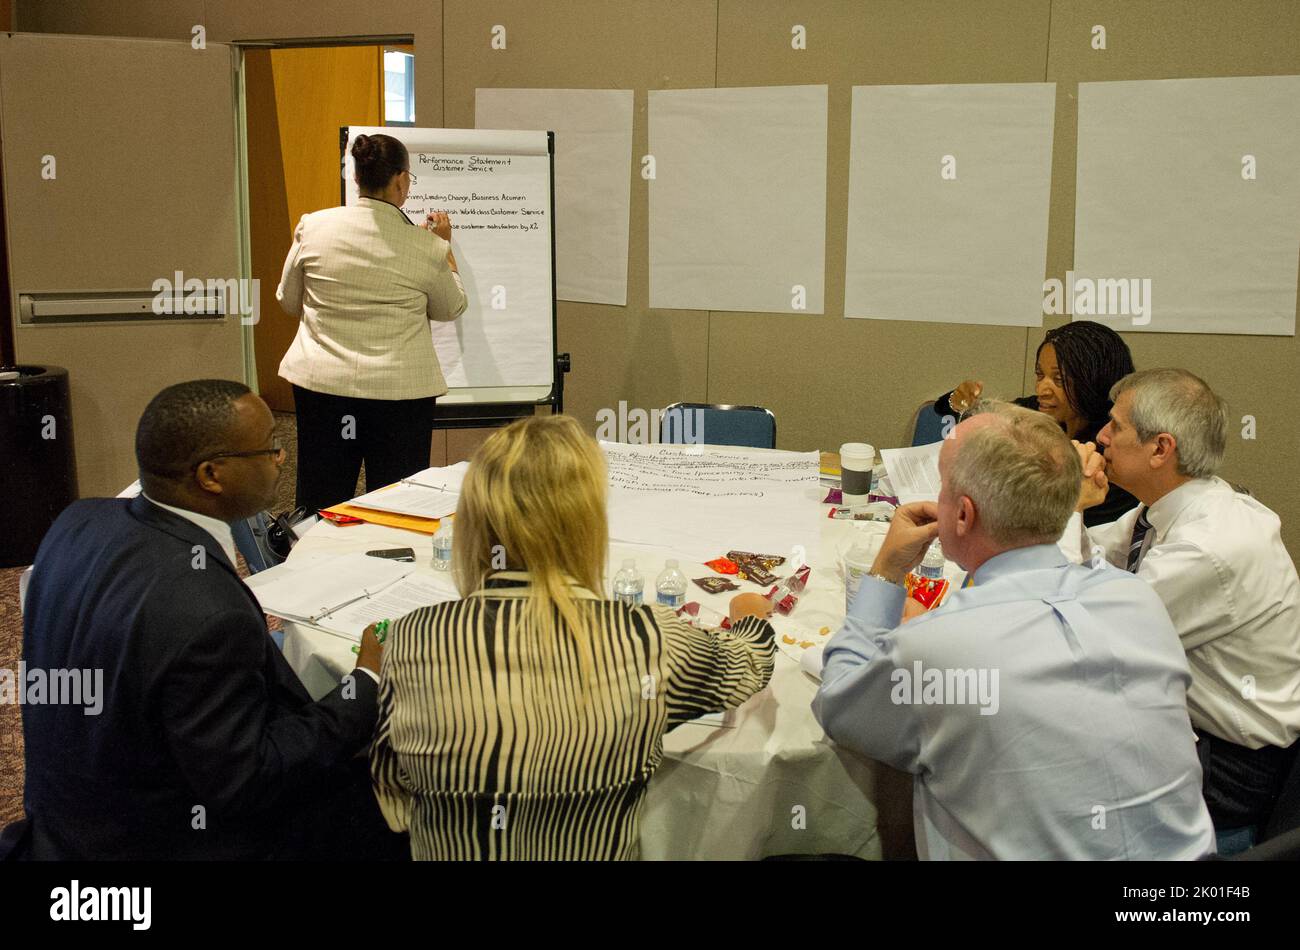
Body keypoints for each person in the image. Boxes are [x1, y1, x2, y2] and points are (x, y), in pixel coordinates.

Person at [813, 402, 1214, 860]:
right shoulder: (1138, 600)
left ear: (962, 515)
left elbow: (840, 707)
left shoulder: (939, 647)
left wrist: (886, 572)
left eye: (942, 488)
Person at [20, 380, 398, 860]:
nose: (282, 459)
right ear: (211, 475)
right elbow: (250, 779)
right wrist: (365, 680)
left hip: (70, 812)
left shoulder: (81, 519)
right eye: (270, 449)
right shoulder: (208, 616)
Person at [370, 415, 777, 860]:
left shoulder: (412, 639)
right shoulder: (647, 640)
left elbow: (394, 798)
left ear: (472, 521)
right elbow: (749, 665)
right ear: (587, 524)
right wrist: (751, 615)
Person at [1073, 368, 1300, 852]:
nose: (1100, 437)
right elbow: (1091, 556)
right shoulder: (1167, 508)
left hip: (1232, 767)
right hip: (1194, 729)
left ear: (1161, 449)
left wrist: (1068, 507)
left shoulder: (1209, 545)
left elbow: (1094, 629)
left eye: (1115, 426)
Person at [277, 132, 468, 514]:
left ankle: (316, 566)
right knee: (397, 502)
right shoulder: (426, 246)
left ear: (357, 178)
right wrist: (446, 251)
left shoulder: (313, 227)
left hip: (322, 387)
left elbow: (287, 300)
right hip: (399, 397)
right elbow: (452, 307)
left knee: (321, 498)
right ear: (400, 180)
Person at [934, 320, 1138, 526]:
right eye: (1040, 374)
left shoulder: (1112, 452)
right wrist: (958, 400)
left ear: (1094, 382)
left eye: (1059, 380)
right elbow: (957, 412)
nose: (1042, 389)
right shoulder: (1040, 412)